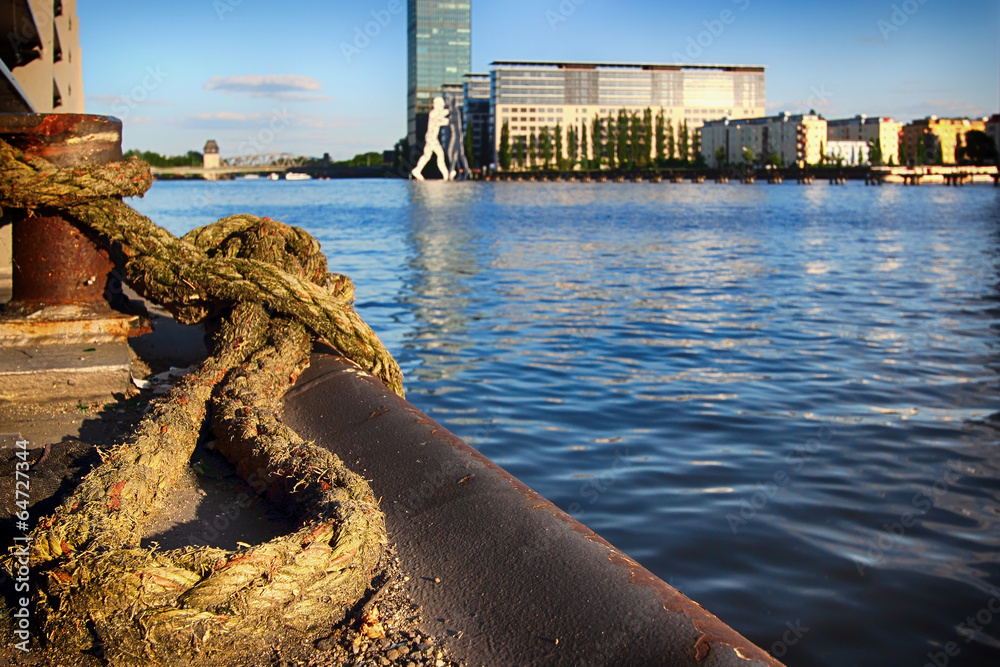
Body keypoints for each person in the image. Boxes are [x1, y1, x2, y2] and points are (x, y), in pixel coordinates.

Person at [412, 97, 450, 181]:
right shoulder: (434, 113)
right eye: (441, 105)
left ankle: (417, 170)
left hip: (431, 137)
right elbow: (441, 118)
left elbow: (443, 115)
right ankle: (446, 175)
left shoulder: (435, 113)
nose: (442, 107)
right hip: (431, 138)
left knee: (427, 156)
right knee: (440, 155)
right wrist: (450, 117)